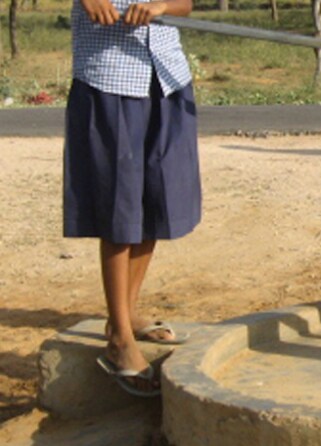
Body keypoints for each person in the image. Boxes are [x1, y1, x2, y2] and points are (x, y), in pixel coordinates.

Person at [65, 0, 199, 396]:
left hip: (167, 76)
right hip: (110, 77)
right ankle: (120, 341)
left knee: (154, 202)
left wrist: (161, 6)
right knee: (118, 210)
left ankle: (123, 315)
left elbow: (185, 4)